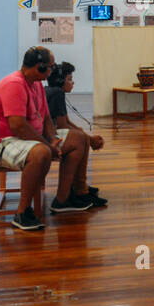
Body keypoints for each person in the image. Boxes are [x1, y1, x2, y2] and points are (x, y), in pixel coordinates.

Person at [0, 47, 96, 231]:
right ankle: (22, 212)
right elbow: (18, 126)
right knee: (41, 152)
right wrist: (47, 145)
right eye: (50, 67)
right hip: (2, 143)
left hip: (26, 139)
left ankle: (63, 199)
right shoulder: (14, 84)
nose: (52, 72)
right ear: (39, 67)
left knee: (79, 139)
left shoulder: (35, 84)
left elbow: (44, 117)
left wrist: (52, 139)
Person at [44, 62, 108, 208]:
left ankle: (80, 187)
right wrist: (88, 139)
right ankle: (79, 189)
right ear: (60, 81)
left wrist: (86, 136)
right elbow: (63, 125)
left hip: (50, 132)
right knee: (81, 139)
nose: (72, 82)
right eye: (69, 79)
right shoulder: (57, 93)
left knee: (82, 136)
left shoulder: (53, 90)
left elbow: (66, 121)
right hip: (48, 137)